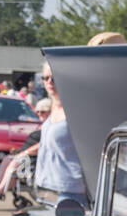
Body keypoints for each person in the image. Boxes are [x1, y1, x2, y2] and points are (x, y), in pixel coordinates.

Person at [31, 62, 87, 206]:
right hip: (47, 187)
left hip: (70, 189)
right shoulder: (53, 108)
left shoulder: (76, 110)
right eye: (45, 78)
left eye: (54, 77)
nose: (49, 82)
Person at [0, 97, 52, 201]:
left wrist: (25, 152)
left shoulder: (52, 126)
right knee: (7, 159)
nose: (39, 114)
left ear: (50, 112)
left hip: (33, 156)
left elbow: (43, 145)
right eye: (37, 111)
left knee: (15, 162)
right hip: (25, 153)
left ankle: (0, 190)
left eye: (43, 112)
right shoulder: (43, 124)